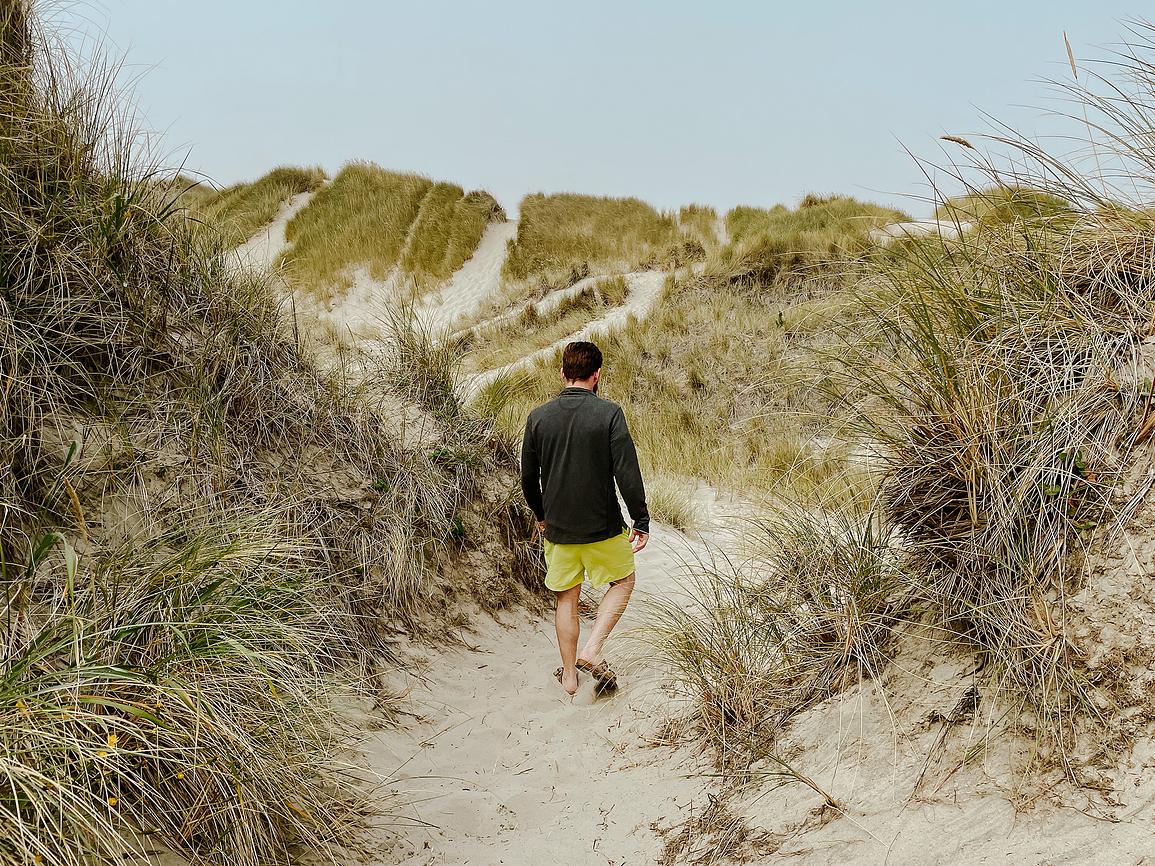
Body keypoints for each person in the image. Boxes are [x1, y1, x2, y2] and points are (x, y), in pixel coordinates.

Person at [520, 340, 649, 697]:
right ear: (597, 375)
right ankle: (592, 650)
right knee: (623, 581)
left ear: (563, 373)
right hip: (603, 524)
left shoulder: (538, 417)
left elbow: (528, 478)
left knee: (567, 599)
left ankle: (570, 677)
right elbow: (627, 471)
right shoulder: (609, 413)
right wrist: (640, 519)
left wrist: (541, 515)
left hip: (560, 527)